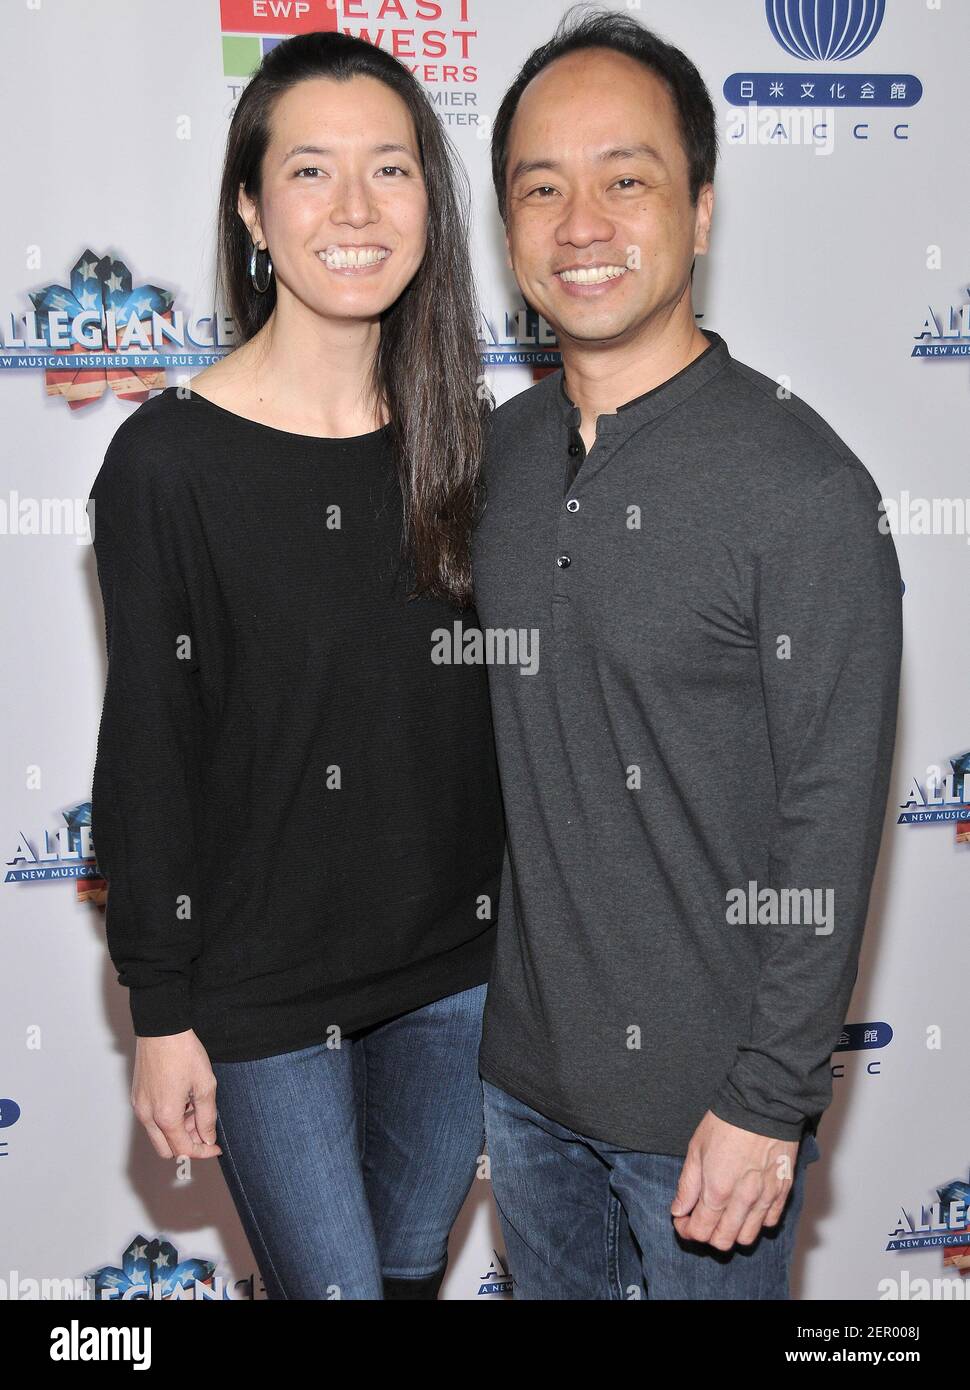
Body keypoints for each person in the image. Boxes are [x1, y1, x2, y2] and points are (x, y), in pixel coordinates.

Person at [473, 7, 903, 1300]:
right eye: (540, 188)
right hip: (520, 1089)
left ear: (701, 211)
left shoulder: (804, 486)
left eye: (626, 178)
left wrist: (770, 1097)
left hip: (708, 1124)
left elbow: (830, 815)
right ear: (507, 230)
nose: (580, 223)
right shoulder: (490, 459)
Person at [86, 30, 505, 1301]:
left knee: (394, 1272)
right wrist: (161, 1013)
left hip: (460, 975)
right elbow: (151, 746)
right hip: (262, 997)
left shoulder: (480, 449)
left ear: (431, 203)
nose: (356, 208)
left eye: (390, 170)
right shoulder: (167, 461)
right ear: (251, 210)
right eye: (312, 172)